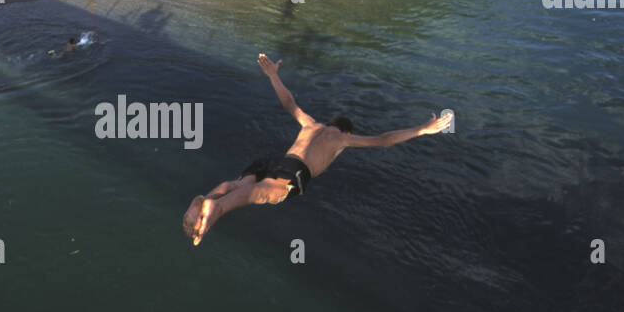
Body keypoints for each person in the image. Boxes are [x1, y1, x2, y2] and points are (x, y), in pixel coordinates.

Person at [183, 53, 452, 245]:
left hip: (274, 160)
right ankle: (215, 210)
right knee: (257, 194)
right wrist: (421, 129)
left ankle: (210, 198)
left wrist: (273, 76)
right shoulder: (342, 139)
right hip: (294, 172)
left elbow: (289, 102)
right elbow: (383, 139)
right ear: (345, 130)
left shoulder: (310, 124)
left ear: (330, 122)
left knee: (236, 184)